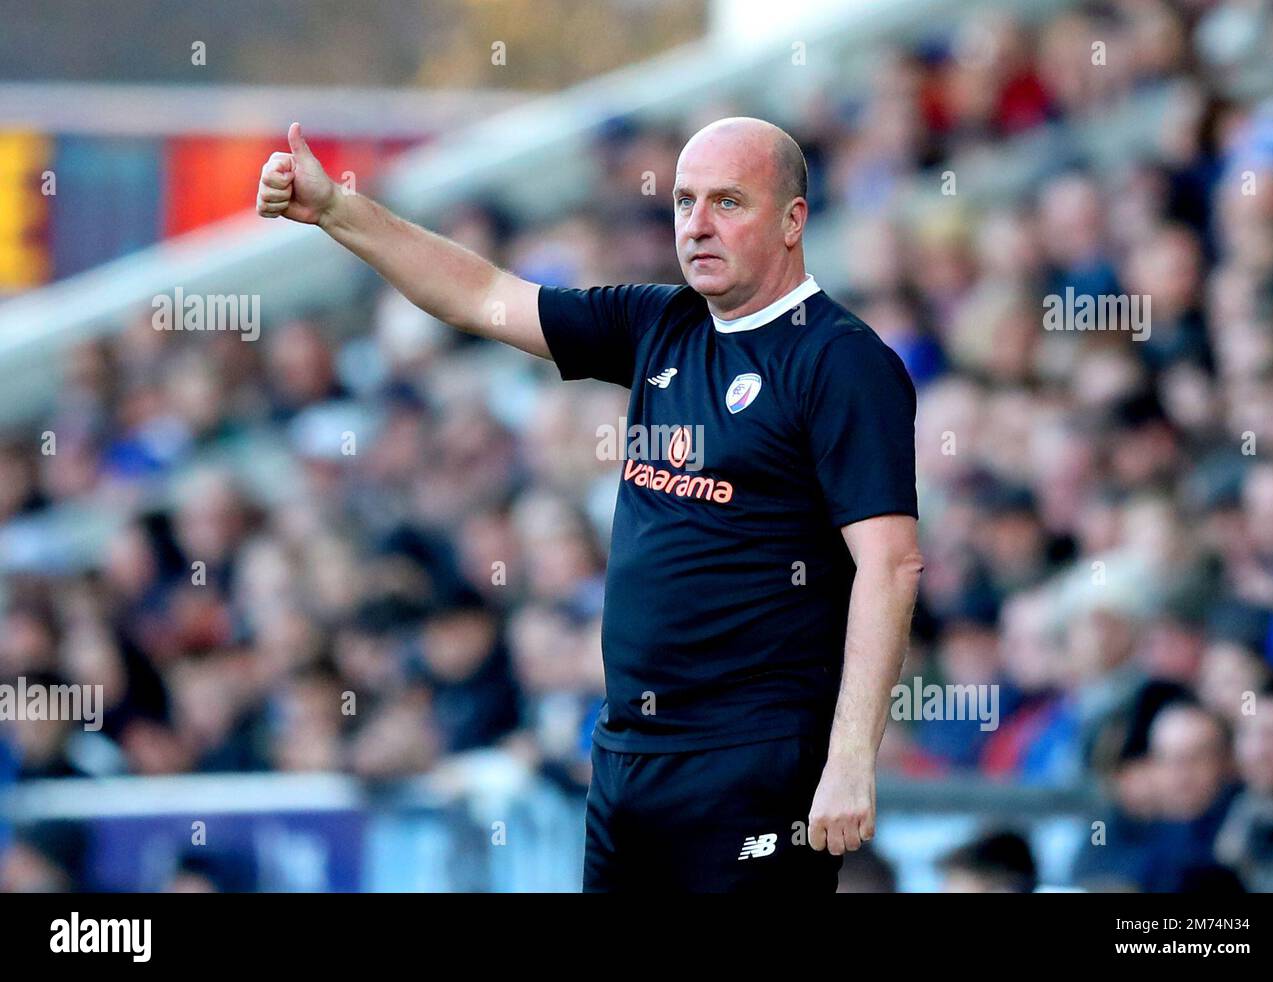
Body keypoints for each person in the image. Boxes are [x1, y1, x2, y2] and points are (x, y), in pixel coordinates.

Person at [256, 115, 923, 892]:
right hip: (630, 759)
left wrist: (849, 761)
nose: (697, 225)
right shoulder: (661, 324)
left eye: (728, 203)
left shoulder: (840, 361)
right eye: (683, 201)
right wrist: (339, 211)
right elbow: (481, 295)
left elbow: (891, 562)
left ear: (792, 220)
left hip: (754, 762)